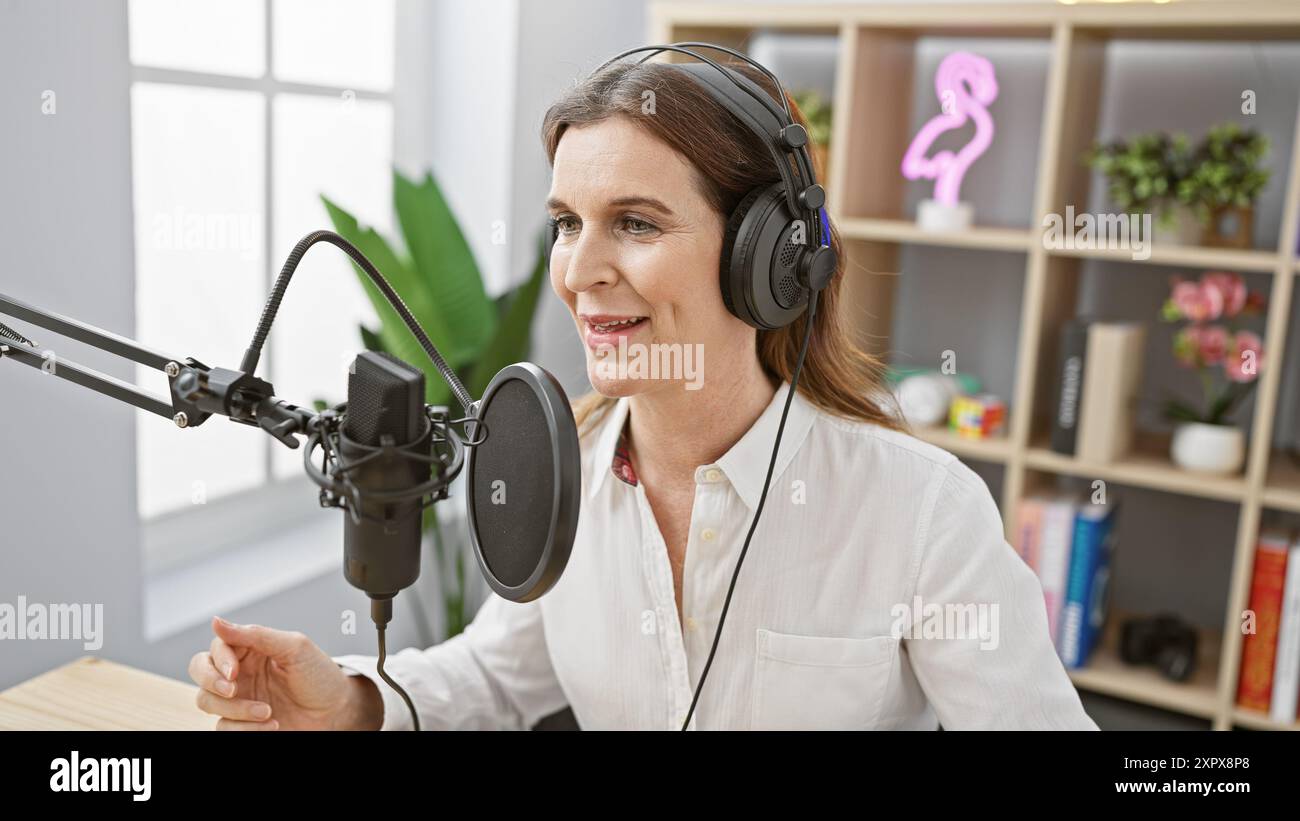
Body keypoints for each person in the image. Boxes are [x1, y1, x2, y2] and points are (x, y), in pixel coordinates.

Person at [188, 49, 1098, 731]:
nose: (580, 271)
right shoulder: (562, 472)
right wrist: (350, 701)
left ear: (767, 259)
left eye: (634, 222)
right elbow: (503, 672)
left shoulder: (920, 510)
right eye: (565, 224)